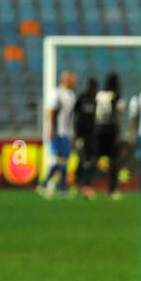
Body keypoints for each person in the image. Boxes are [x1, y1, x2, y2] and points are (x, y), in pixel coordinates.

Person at [39, 70, 76, 198]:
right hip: (57, 131)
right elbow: (50, 111)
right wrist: (51, 130)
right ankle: (60, 188)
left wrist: (72, 132)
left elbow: (71, 116)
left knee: (63, 159)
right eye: (72, 79)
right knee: (60, 159)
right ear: (66, 80)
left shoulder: (71, 95)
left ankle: (46, 184)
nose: (74, 82)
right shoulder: (56, 93)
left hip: (67, 132)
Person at [94, 73, 123, 199]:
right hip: (111, 129)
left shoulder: (100, 95)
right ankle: (111, 190)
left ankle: (87, 186)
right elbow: (117, 115)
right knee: (114, 160)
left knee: (93, 158)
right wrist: (118, 132)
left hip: (99, 128)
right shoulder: (116, 96)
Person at [73, 78, 101, 199]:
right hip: (82, 135)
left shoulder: (97, 100)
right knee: (83, 161)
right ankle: (80, 185)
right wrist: (75, 134)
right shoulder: (81, 99)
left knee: (91, 161)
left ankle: (86, 186)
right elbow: (74, 116)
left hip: (93, 135)